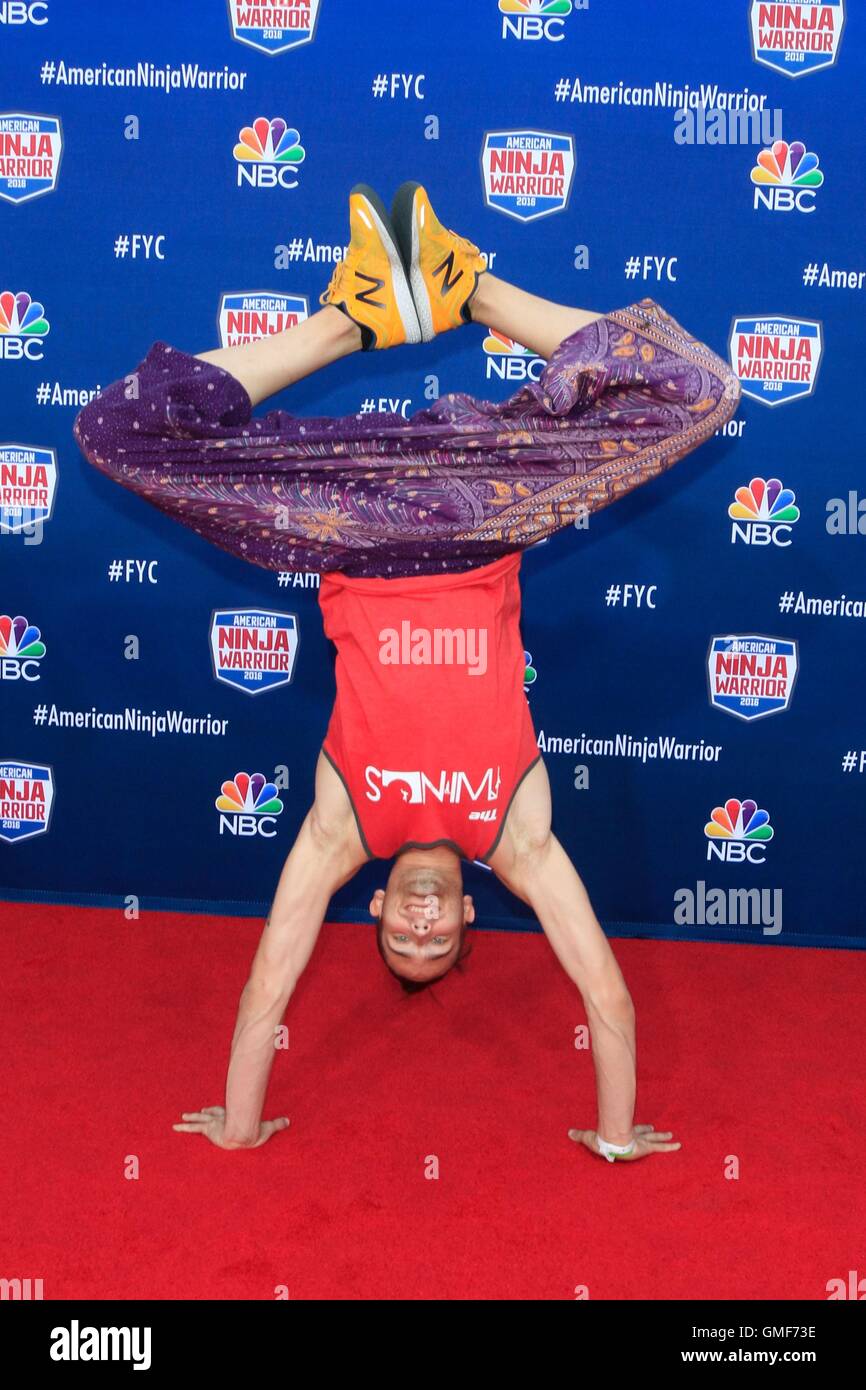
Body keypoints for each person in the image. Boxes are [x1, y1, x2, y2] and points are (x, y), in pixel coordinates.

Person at [73, 181, 742, 1162]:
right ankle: (465, 286)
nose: (422, 927)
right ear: (470, 909)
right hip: (485, 502)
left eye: (402, 937)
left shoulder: (343, 825)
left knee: (111, 432)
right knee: (698, 388)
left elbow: (268, 983)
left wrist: (240, 1126)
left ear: (377, 905)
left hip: (344, 520)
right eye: (439, 939)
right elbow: (603, 991)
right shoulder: (515, 834)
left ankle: (352, 322)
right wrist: (612, 1132)